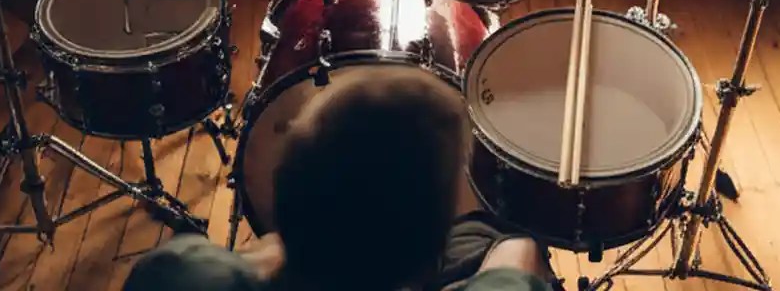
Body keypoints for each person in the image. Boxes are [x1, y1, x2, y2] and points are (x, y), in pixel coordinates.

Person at [124, 65, 554, 290]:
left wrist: (287, 252)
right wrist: (518, 245)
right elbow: (519, 257)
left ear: (284, 190)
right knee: (492, 231)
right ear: (426, 259)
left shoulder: (174, 274)